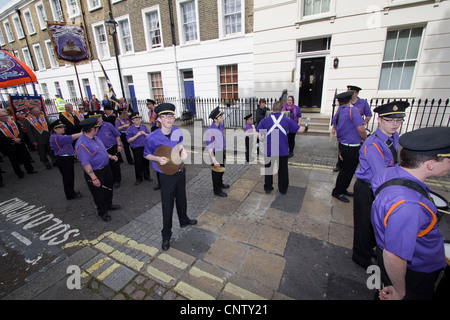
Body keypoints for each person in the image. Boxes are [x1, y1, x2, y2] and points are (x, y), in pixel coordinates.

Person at [371, 126, 450, 300]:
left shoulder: (389, 173)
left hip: (385, 256)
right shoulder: (409, 205)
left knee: (379, 288)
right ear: (431, 164)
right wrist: (400, 291)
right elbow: (394, 255)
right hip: (412, 272)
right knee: (389, 292)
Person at [352, 101, 409, 269]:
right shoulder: (373, 144)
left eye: (398, 121)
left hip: (381, 187)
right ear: (380, 120)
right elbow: (381, 175)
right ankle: (360, 257)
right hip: (368, 188)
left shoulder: (394, 137)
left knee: (374, 225)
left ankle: (368, 250)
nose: (395, 125)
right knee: (364, 226)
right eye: (390, 120)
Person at [144, 103, 196, 251]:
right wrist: (157, 159)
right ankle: (166, 235)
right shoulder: (152, 137)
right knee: (167, 206)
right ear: (158, 119)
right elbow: (146, 154)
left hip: (180, 170)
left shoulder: (177, 131)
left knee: (182, 198)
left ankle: (184, 220)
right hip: (166, 176)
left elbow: (179, 145)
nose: (169, 119)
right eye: (165, 116)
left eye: (171, 116)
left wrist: (183, 151)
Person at [256, 101, 307, 194]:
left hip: (269, 148)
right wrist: (306, 128)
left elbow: (257, 134)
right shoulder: (287, 120)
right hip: (282, 149)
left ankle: (268, 188)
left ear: (272, 109)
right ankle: (283, 189)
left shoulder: (265, 120)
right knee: (283, 170)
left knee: (268, 169)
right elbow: (300, 130)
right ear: (282, 110)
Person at [75, 116, 120, 222]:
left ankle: (109, 204)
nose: (98, 129)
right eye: (96, 127)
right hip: (95, 172)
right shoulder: (82, 144)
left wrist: (110, 156)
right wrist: (94, 178)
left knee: (108, 188)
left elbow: (101, 151)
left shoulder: (96, 137)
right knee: (98, 194)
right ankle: (102, 212)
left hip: (106, 168)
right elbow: (86, 164)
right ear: (91, 129)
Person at [331, 91, 367, 203]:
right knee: (347, 171)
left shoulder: (338, 113)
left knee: (348, 170)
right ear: (350, 100)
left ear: (339, 102)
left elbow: (336, 130)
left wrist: (339, 149)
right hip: (352, 147)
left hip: (343, 145)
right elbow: (361, 129)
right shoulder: (353, 112)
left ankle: (343, 189)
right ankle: (337, 192)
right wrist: (366, 140)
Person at [334, 85, 373, 172]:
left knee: (351, 160)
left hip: (356, 132)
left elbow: (368, 115)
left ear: (357, 93)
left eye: (352, 92)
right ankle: (341, 165)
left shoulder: (362, 103)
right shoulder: (346, 107)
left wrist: (365, 122)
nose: (350, 94)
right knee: (346, 162)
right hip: (346, 134)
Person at [49, 119, 82, 200]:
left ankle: (72, 192)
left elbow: (68, 145)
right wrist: (82, 133)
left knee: (70, 176)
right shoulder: (55, 137)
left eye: (63, 127)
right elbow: (72, 137)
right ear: (54, 129)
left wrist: (73, 152)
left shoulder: (60, 136)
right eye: (60, 128)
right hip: (63, 159)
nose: (63, 129)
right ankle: (70, 194)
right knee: (67, 177)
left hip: (67, 157)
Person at [0, 109, 37, 178]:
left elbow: (21, 131)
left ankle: (30, 169)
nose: (5, 117)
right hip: (9, 146)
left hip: (20, 143)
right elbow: (1, 137)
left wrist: (19, 138)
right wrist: (13, 140)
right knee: (14, 161)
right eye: (2, 116)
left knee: (25, 157)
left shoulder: (13, 122)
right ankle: (19, 173)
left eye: (6, 115)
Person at [205, 106, 229, 197]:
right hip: (215, 153)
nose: (223, 118)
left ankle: (221, 184)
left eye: (222, 116)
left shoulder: (221, 125)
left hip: (221, 151)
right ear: (215, 119)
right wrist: (214, 160)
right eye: (220, 117)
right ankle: (217, 190)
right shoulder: (210, 131)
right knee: (216, 172)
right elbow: (209, 147)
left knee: (221, 170)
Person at [96, 115, 122, 189]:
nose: (98, 120)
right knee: (105, 166)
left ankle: (117, 181)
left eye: (99, 117)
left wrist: (119, 145)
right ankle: (109, 180)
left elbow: (117, 135)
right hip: (101, 150)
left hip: (112, 148)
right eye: (96, 118)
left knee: (115, 165)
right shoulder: (93, 128)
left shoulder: (108, 125)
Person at [126, 112, 151, 185]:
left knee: (146, 162)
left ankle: (147, 176)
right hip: (136, 148)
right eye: (136, 120)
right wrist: (136, 135)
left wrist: (144, 133)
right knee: (138, 163)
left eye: (139, 119)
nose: (138, 121)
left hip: (144, 147)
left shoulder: (143, 127)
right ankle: (139, 178)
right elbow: (128, 140)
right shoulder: (130, 129)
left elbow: (149, 136)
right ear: (132, 121)